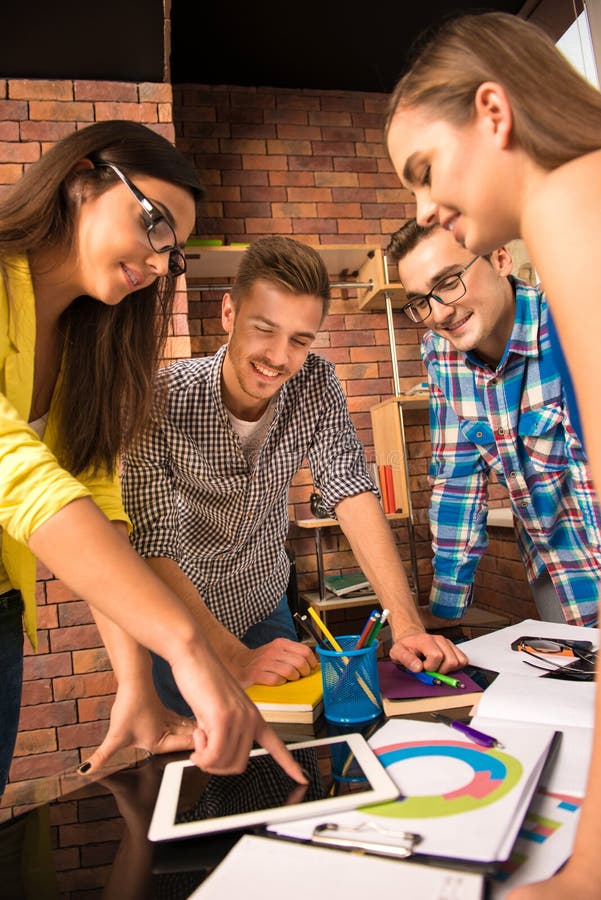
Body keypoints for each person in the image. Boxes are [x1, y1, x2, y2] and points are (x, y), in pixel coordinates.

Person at [0, 120, 305, 794]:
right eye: (155, 224)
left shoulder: (85, 343)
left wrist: (136, 686)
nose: (162, 262)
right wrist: (189, 647)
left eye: (174, 251)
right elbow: (16, 473)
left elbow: (99, 501)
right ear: (81, 178)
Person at [385, 10, 601, 899]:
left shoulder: (574, 206)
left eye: (422, 170)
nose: (423, 205)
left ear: (492, 112)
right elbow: (456, 492)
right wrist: (434, 628)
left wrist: (584, 874)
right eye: (420, 300)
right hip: (564, 596)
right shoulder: (448, 360)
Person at [121, 235, 467, 719]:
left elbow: (350, 489)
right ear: (229, 313)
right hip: (182, 618)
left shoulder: (316, 383)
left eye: (300, 340)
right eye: (264, 330)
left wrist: (406, 624)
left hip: (265, 603)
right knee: (199, 749)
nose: (279, 357)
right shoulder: (159, 399)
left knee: (292, 747)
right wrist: (233, 657)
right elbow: (150, 545)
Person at [387, 220, 600, 628]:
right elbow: (456, 480)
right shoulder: (441, 353)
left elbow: (591, 476)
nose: (439, 313)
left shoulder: (571, 320)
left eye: (449, 282)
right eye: (421, 302)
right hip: (554, 571)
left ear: (501, 259)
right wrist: (446, 617)